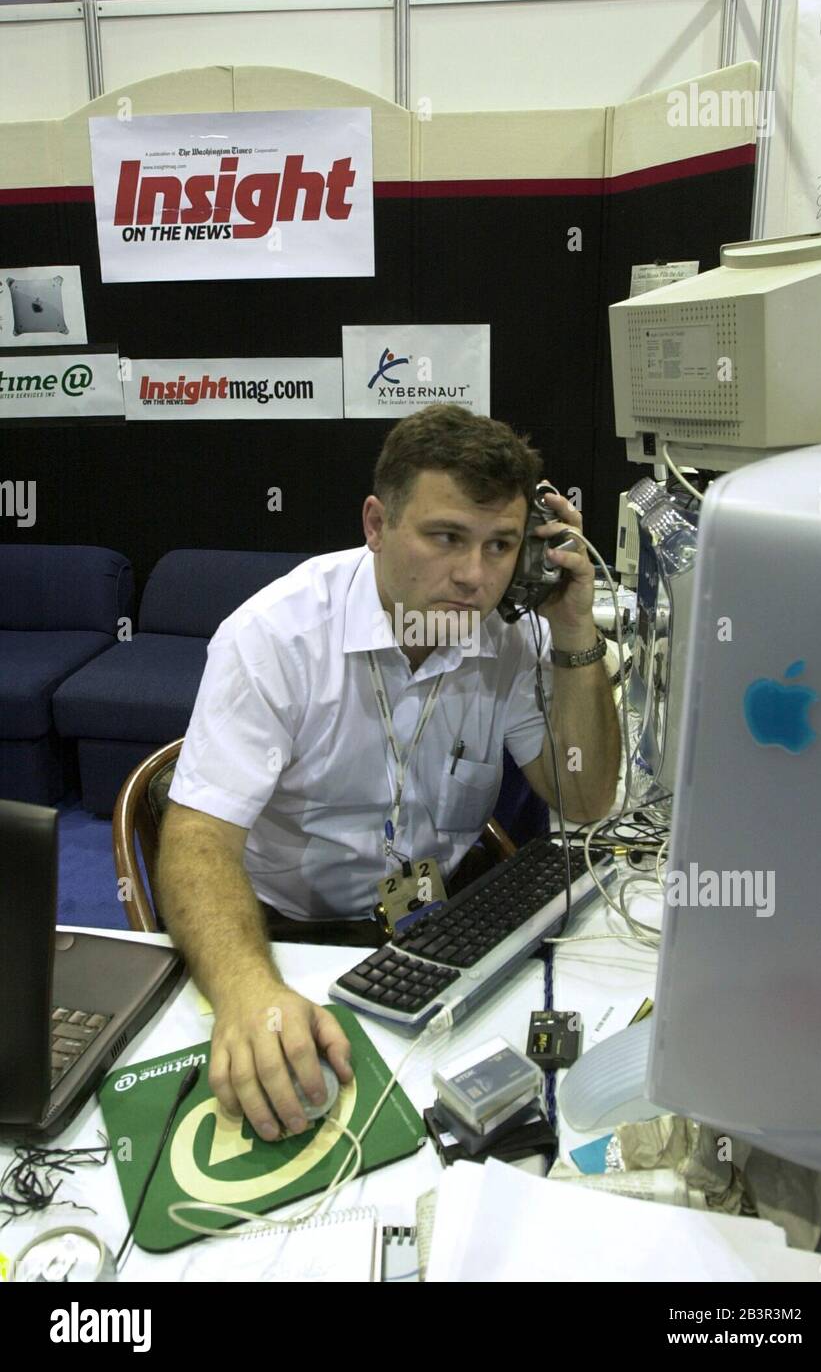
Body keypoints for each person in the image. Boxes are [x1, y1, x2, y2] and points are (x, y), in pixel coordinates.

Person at [156, 405, 621, 1143]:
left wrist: (573, 632)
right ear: (376, 524)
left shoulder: (513, 634)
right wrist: (248, 990)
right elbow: (196, 839)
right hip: (293, 936)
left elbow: (586, 796)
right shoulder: (275, 637)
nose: (474, 576)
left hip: (436, 917)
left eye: (502, 545)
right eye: (446, 538)